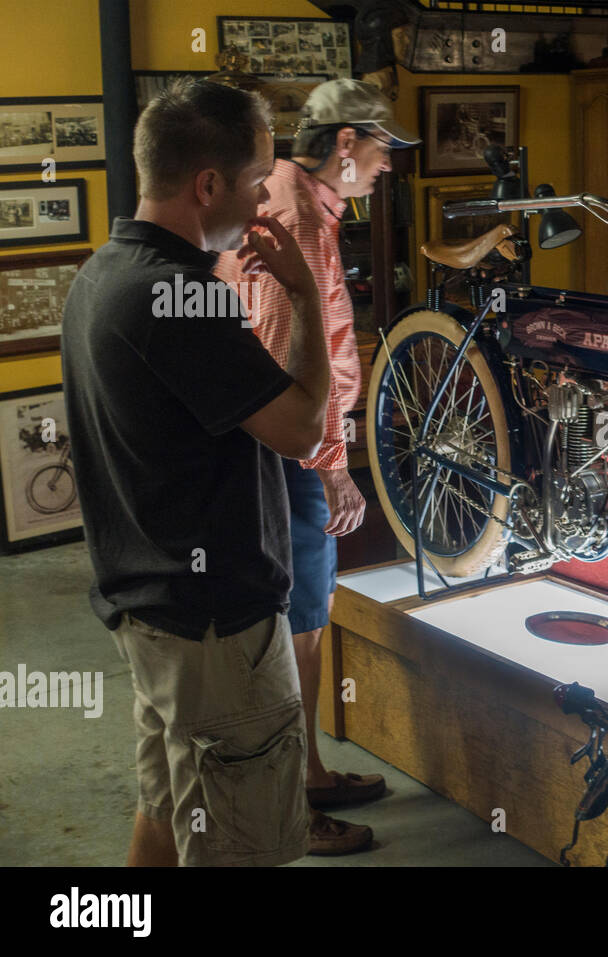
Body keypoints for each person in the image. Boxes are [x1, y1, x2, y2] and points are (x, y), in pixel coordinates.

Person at [61, 80, 331, 866]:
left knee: (168, 808)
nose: (261, 207)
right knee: (238, 841)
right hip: (217, 631)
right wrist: (305, 298)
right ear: (206, 183)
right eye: (255, 184)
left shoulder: (101, 275)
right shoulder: (180, 297)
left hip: (151, 615)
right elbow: (302, 429)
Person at [214, 79, 419, 856]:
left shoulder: (299, 200)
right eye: (381, 149)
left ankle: (311, 773)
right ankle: (296, 798)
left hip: (291, 452)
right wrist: (330, 463)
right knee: (296, 623)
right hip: (292, 455)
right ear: (345, 143)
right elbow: (282, 358)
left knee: (305, 619)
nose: (387, 167)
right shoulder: (297, 214)